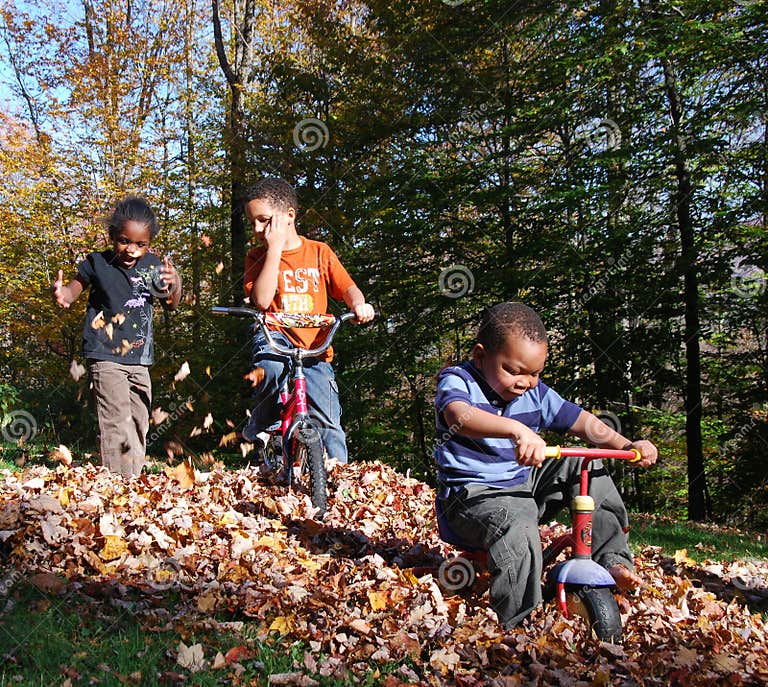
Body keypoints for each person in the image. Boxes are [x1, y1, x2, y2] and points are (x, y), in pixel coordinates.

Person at [434, 302, 657, 629]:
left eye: (535, 373)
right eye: (513, 370)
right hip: (470, 498)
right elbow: (458, 415)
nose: (526, 382)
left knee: (584, 464)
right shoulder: (459, 380)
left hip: (521, 484)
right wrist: (517, 430)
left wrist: (626, 445)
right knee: (516, 519)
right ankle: (519, 623)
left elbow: (582, 422)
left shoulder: (535, 394)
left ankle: (611, 561)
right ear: (480, 356)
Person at [241, 177, 375, 463]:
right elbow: (262, 300)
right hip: (275, 336)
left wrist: (358, 304)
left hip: (314, 344)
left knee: (328, 422)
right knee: (271, 368)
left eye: (264, 220)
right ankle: (264, 424)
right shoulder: (257, 256)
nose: (257, 229)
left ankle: (340, 476)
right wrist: (274, 250)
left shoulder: (319, 252)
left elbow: (347, 287)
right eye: (252, 223)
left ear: (289, 216)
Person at [52, 196, 182, 476]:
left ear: (149, 243)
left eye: (140, 244)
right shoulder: (97, 262)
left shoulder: (153, 266)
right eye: (124, 241)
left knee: (138, 420)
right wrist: (64, 294)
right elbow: (74, 289)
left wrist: (175, 284)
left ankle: (132, 477)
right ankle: (116, 481)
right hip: (105, 354)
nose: (131, 250)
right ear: (112, 236)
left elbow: (171, 304)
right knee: (116, 419)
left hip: (140, 358)